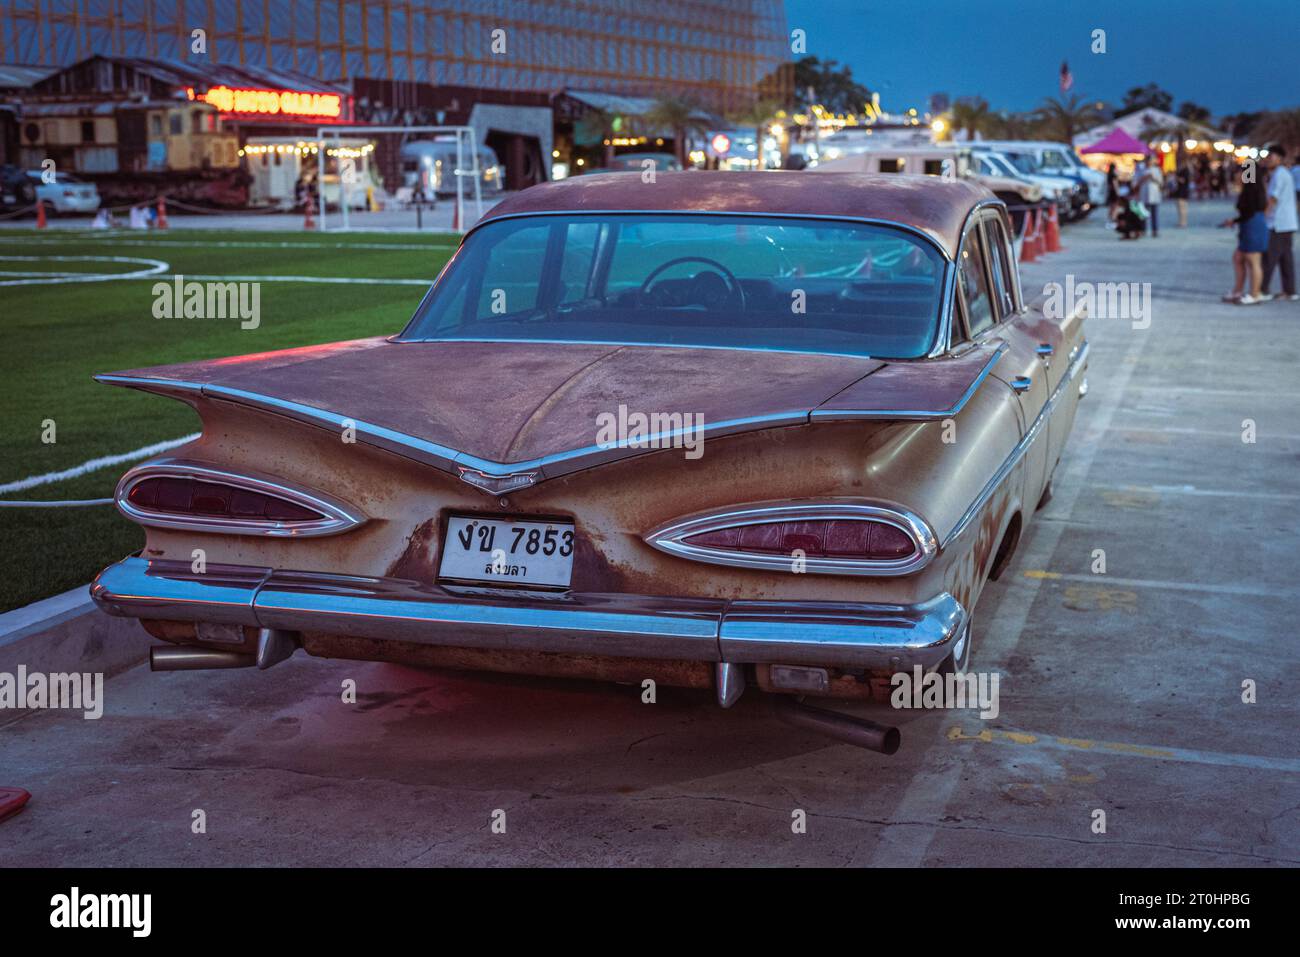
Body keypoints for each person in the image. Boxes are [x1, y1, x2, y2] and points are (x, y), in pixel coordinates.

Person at [1220, 174, 1269, 304]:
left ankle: (1255, 294)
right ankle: (1238, 291)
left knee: (1253, 260)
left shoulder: (1252, 187)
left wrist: (1234, 220)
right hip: (1248, 224)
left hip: (1253, 225)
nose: (1236, 176)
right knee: (1238, 258)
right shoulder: (1249, 188)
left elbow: (1249, 210)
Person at [1260, 147, 1297, 301]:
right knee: (1285, 258)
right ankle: (1289, 291)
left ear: (1280, 158)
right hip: (1286, 222)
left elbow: (1272, 199)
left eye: (1271, 157)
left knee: (1269, 257)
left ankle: (1261, 290)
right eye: (1267, 156)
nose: (1268, 159)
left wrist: (1261, 218)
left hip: (1278, 223)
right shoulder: (1280, 174)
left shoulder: (1279, 175)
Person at [1137, 158, 1164, 236]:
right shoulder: (1141, 170)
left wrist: (1153, 178)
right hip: (1144, 194)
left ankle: (1155, 230)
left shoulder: (1157, 170)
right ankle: (1143, 230)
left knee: (1154, 214)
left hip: (1154, 195)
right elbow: (1136, 182)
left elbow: (1161, 183)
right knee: (1143, 213)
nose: (1149, 163)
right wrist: (1143, 178)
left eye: (1150, 161)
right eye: (1148, 161)